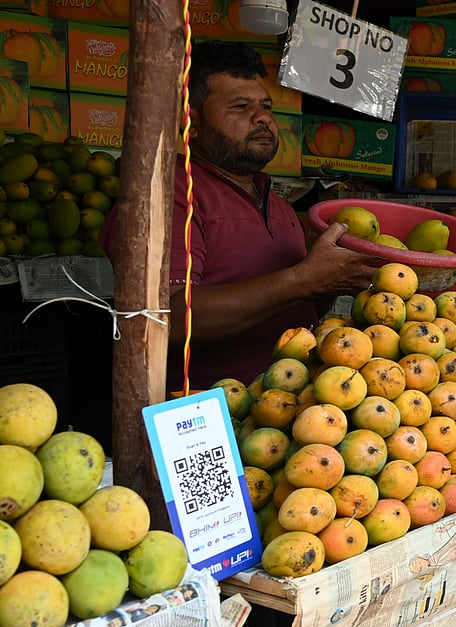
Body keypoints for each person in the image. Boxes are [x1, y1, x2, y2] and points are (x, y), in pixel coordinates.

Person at [102, 41, 376, 392]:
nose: (262, 118)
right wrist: (302, 280)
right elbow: (162, 319)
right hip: (202, 418)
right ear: (192, 123)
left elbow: (296, 309)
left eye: (265, 106)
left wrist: (330, 280)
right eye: (241, 106)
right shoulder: (164, 195)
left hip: (291, 414)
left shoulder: (276, 204)